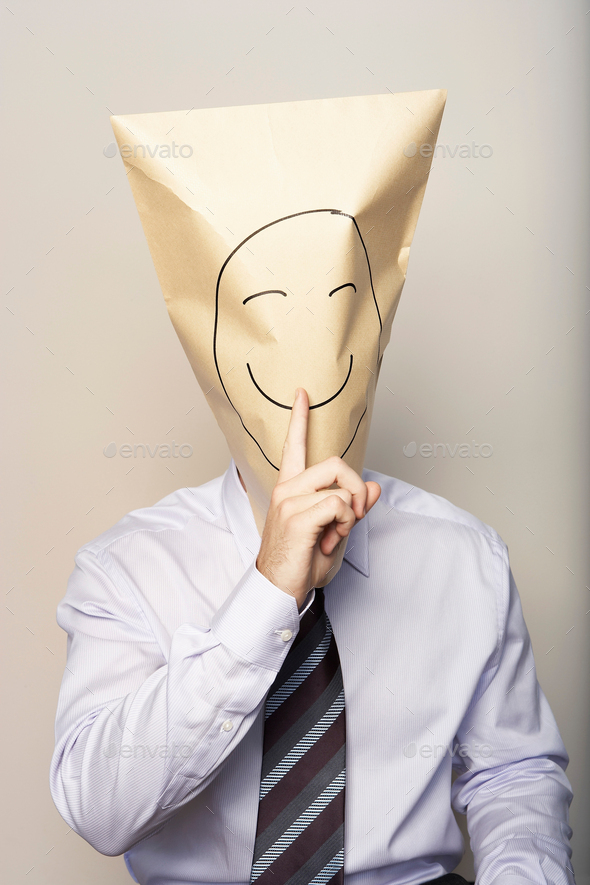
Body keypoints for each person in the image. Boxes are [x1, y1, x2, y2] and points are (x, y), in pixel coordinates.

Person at [50, 386, 575, 885]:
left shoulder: (462, 555)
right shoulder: (126, 566)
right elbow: (100, 812)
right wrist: (269, 591)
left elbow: (514, 772)